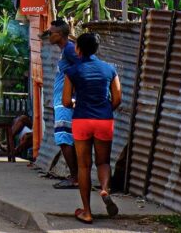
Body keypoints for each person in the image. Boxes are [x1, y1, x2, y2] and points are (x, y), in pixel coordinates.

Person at [62, 33, 122, 224]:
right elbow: (117, 98)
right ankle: (104, 189)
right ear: (96, 48)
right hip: (104, 119)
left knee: (84, 166)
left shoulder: (73, 71)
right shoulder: (109, 69)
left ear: (78, 49)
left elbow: (65, 101)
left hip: (82, 120)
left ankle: (87, 212)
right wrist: (105, 110)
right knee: (103, 162)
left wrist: (75, 103)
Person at [46, 20, 81, 190]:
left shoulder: (69, 49)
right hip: (63, 101)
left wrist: (73, 93)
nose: (49, 35)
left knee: (64, 138)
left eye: (51, 33)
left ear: (60, 35)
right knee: (66, 138)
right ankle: (75, 176)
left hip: (65, 103)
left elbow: (83, 67)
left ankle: (75, 178)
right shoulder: (65, 50)